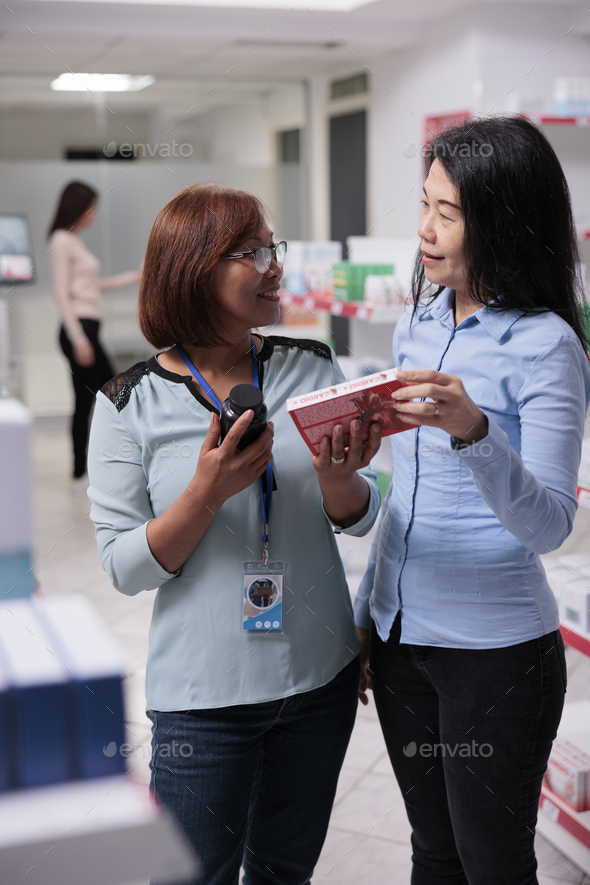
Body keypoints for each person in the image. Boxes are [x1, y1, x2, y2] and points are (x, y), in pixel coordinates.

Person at [87, 182, 383, 885]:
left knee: (284, 871)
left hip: (320, 679)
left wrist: (343, 480)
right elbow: (125, 566)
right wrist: (206, 491)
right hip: (204, 701)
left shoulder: (311, 367)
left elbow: (365, 513)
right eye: (250, 252)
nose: (274, 265)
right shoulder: (129, 402)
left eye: (271, 247)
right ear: (193, 269)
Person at [355, 116, 590, 884]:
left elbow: (551, 523)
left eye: (447, 213)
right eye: (423, 205)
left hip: (495, 656)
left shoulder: (547, 343)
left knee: (491, 864)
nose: (425, 229)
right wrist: (367, 607)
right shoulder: (417, 321)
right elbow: (407, 493)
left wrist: (476, 431)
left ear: (503, 219)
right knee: (433, 852)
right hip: (399, 640)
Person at [48, 181, 140, 481]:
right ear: (76, 207)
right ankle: (80, 471)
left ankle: (97, 465)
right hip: (80, 329)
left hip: (89, 328)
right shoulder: (61, 239)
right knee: (101, 395)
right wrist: (79, 340)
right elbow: (62, 294)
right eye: (91, 208)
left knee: (106, 394)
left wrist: (134, 277)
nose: (93, 215)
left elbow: (91, 287)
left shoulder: (74, 240)